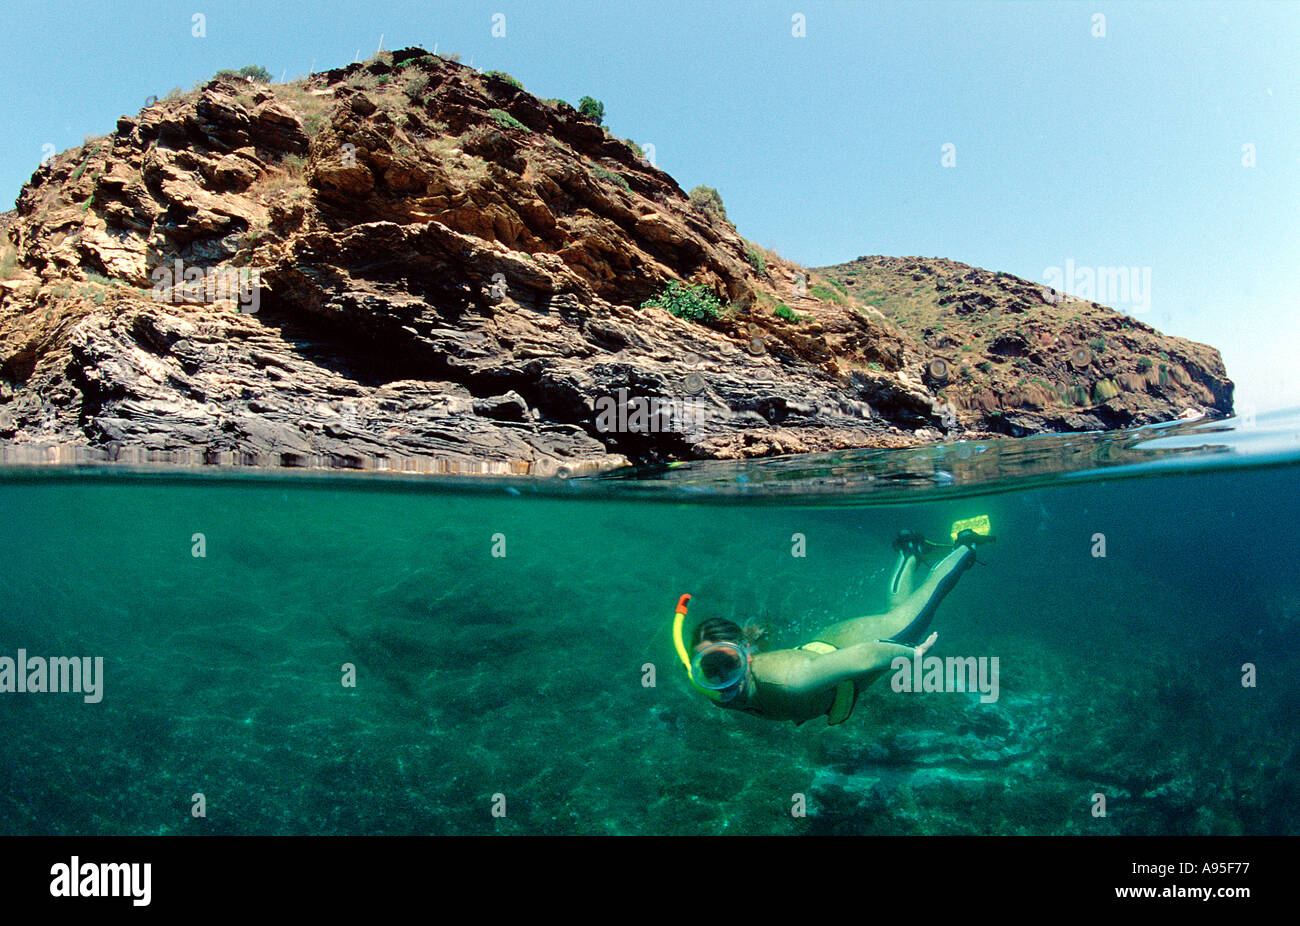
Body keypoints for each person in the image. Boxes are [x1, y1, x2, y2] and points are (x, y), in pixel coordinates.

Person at [671, 520, 993, 726]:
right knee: (898, 616)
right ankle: (910, 553)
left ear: (747, 653)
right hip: (829, 649)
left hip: (853, 645)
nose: (723, 680)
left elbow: (866, 656)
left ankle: (965, 545)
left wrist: (914, 655)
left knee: (913, 621)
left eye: (728, 663)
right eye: (709, 669)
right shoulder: (708, 688)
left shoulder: (791, 681)